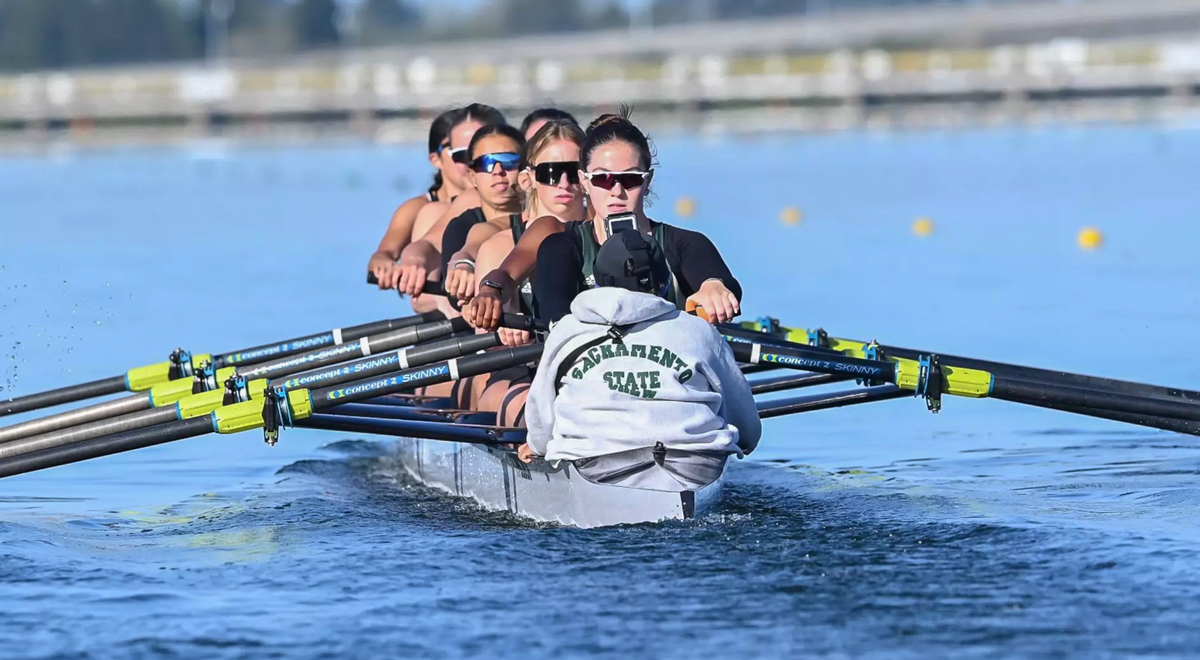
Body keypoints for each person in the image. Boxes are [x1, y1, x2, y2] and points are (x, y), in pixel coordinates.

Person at [521, 230, 761, 490]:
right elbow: (747, 430)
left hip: (597, 467)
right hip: (695, 468)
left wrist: (537, 447)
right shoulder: (699, 330)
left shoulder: (566, 332)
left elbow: (541, 419)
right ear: (665, 284)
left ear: (598, 283)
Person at [467, 118, 588, 423]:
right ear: (527, 179)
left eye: (573, 172)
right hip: (521, 370)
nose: (563, 184)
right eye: (550, 173)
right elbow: (485, 344)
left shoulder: (610, 239)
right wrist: (503, 316)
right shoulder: (499, 246)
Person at [395, 104, 507, 306]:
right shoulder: (466, 201)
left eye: (506, 160)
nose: (497, 170)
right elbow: (429, 244)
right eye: (463, 156)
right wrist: (414, 262)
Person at [367, 109, 461, 290]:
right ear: (436, 160)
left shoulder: (505, 199)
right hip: (437, 304)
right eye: (455, 150)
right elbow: (383, 255)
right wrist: (384, 266)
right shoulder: (416, 208)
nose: (467, 157)